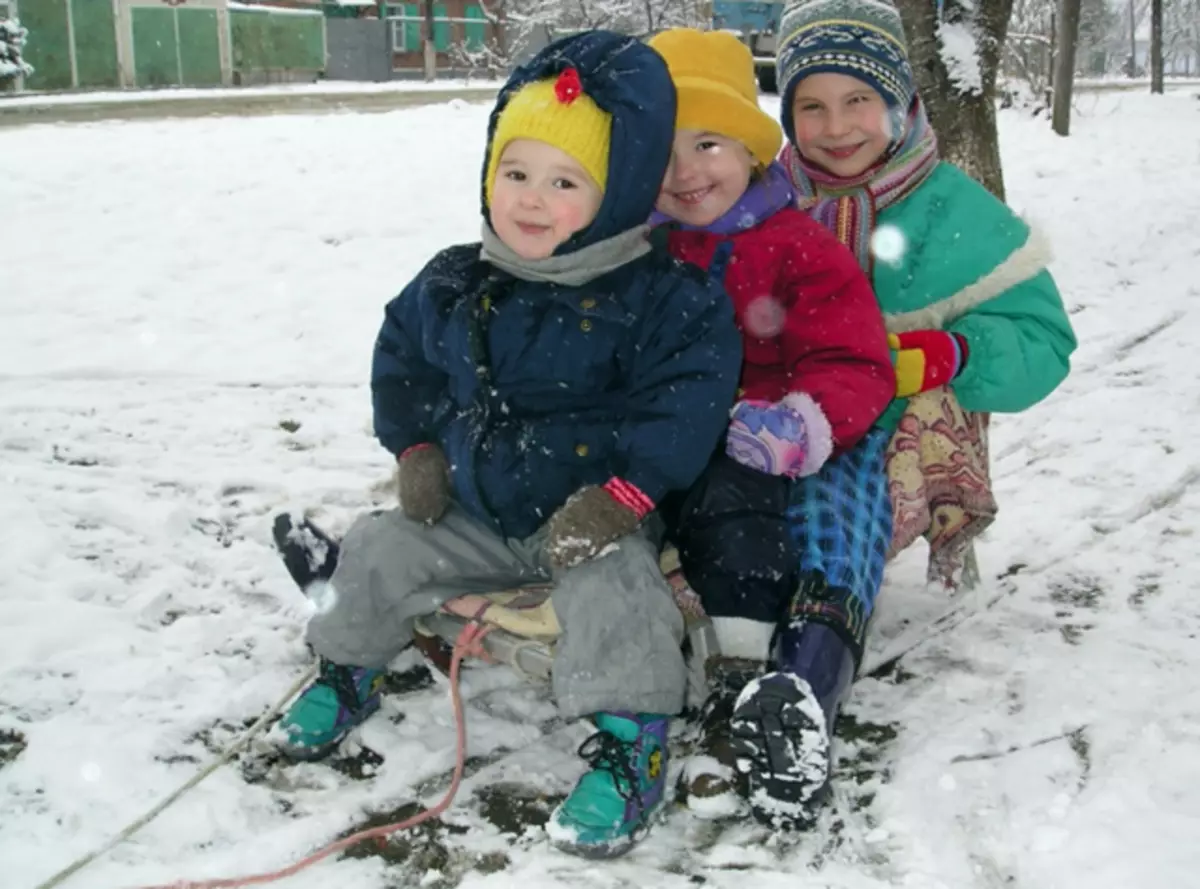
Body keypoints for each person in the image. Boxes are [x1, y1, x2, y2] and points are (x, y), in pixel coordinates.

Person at [275, 31, 743, 858]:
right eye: (515, 173)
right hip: (476, 509)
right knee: (381, 544)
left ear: (620, 190)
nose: (531, 198)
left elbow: (687, 401)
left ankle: (634, 737)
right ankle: (347, 666)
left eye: (565, 181)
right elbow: (403, 360)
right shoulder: (456, 279)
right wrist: (417, 449)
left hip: (592, 518)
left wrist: (626, 496)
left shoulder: (662, 297)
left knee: (622, 592)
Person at [749, 0, 1076, 828]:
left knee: (847, 489)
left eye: (857, 100)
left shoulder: (953, 207)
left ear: (896, 100)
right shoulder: (760, 199)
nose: (835, 127)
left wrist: (955, 353)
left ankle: (810, 677)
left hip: (895, 430)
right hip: (775, 416)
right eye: (811, 106)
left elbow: (1043, 340)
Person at [645, 28, 895, 828]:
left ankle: (749, 681)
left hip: (757, 433)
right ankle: (426, 578)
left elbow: (855, 358)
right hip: (656, 430)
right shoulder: (638, 247)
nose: (686, 173)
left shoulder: (795, 246)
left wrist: (802, 419)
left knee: (738, 520)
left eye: (709, 144)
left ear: (753, 148)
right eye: (663, 151)